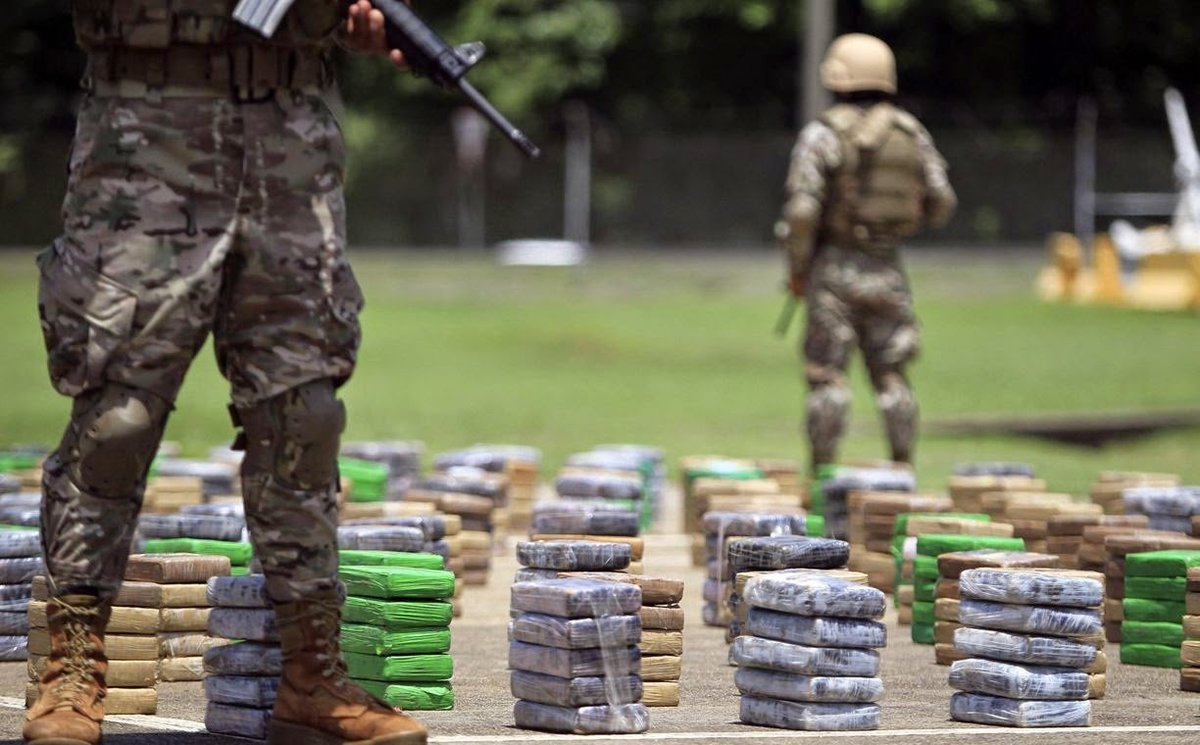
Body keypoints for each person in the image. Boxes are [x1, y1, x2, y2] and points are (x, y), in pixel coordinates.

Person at [27, 2, 426, 744]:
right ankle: (71, 667)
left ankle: (313, 673)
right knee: (120, 410)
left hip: (288, 136)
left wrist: (358, 18)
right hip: (146, 133)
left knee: (302, 411)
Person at [775, 33, 957, 475]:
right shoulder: (911, 133)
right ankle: (902, 470)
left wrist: (798, 265)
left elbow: (802, 211)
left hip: (833, 270)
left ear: (836, 79)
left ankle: (821, 476)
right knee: (892, 374)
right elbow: (943, 202)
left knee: (828, 378)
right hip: (888, 270)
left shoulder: (823, 134)